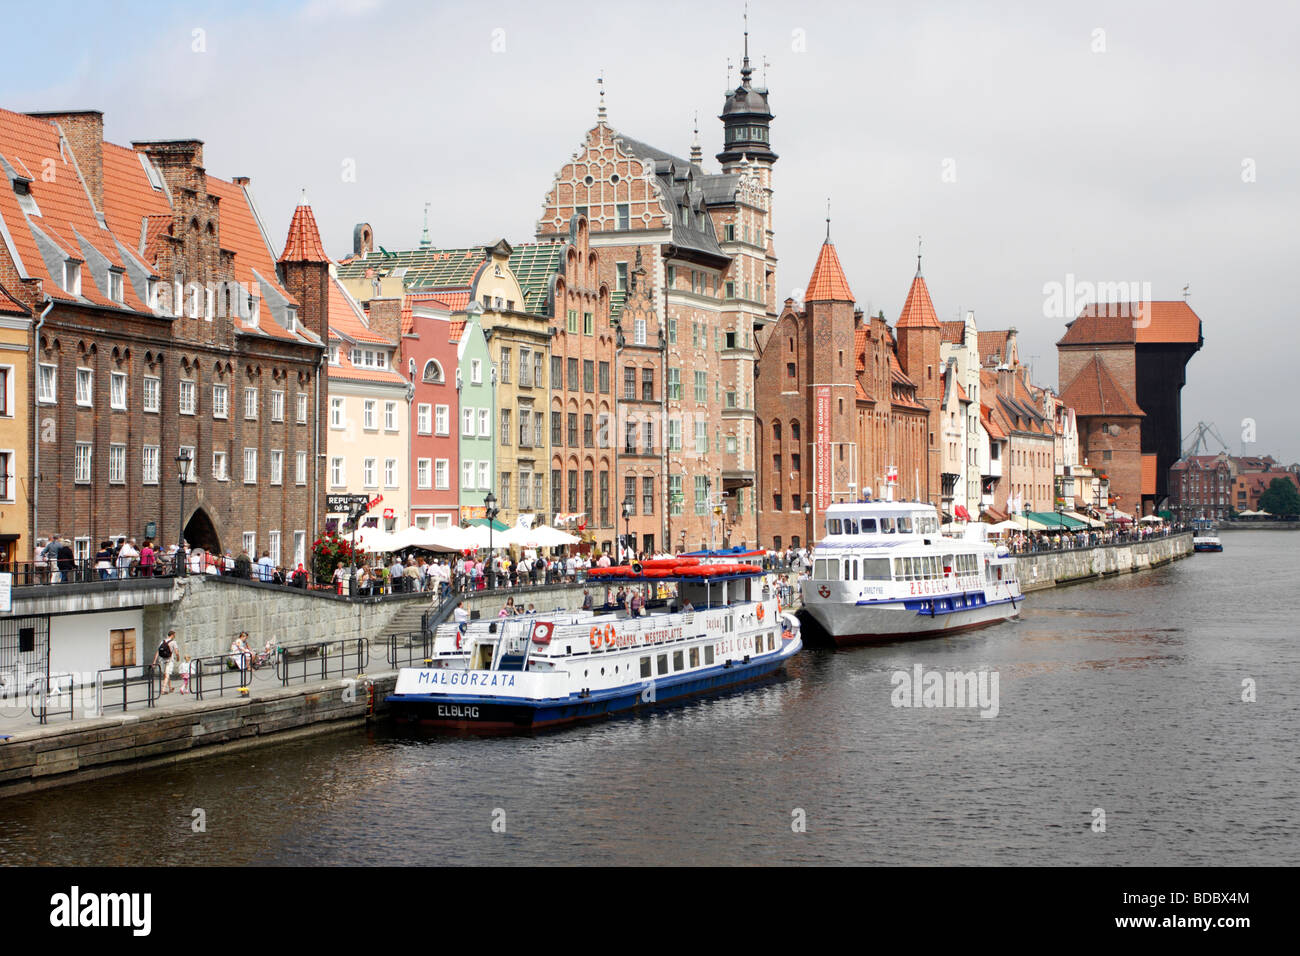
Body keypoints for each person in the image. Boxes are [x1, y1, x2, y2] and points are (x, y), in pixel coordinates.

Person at [153, 629, 180, 694]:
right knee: (167, 675)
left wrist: (154, 661)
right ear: (173, 635)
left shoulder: (162, 641)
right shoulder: (173, 642)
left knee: (166, 674)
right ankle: (163, 689)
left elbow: (158, 652)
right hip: (169, 660)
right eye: (174, 635)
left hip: (162, 660)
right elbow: (176, 652)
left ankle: (170, 688)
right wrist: (178, 658)